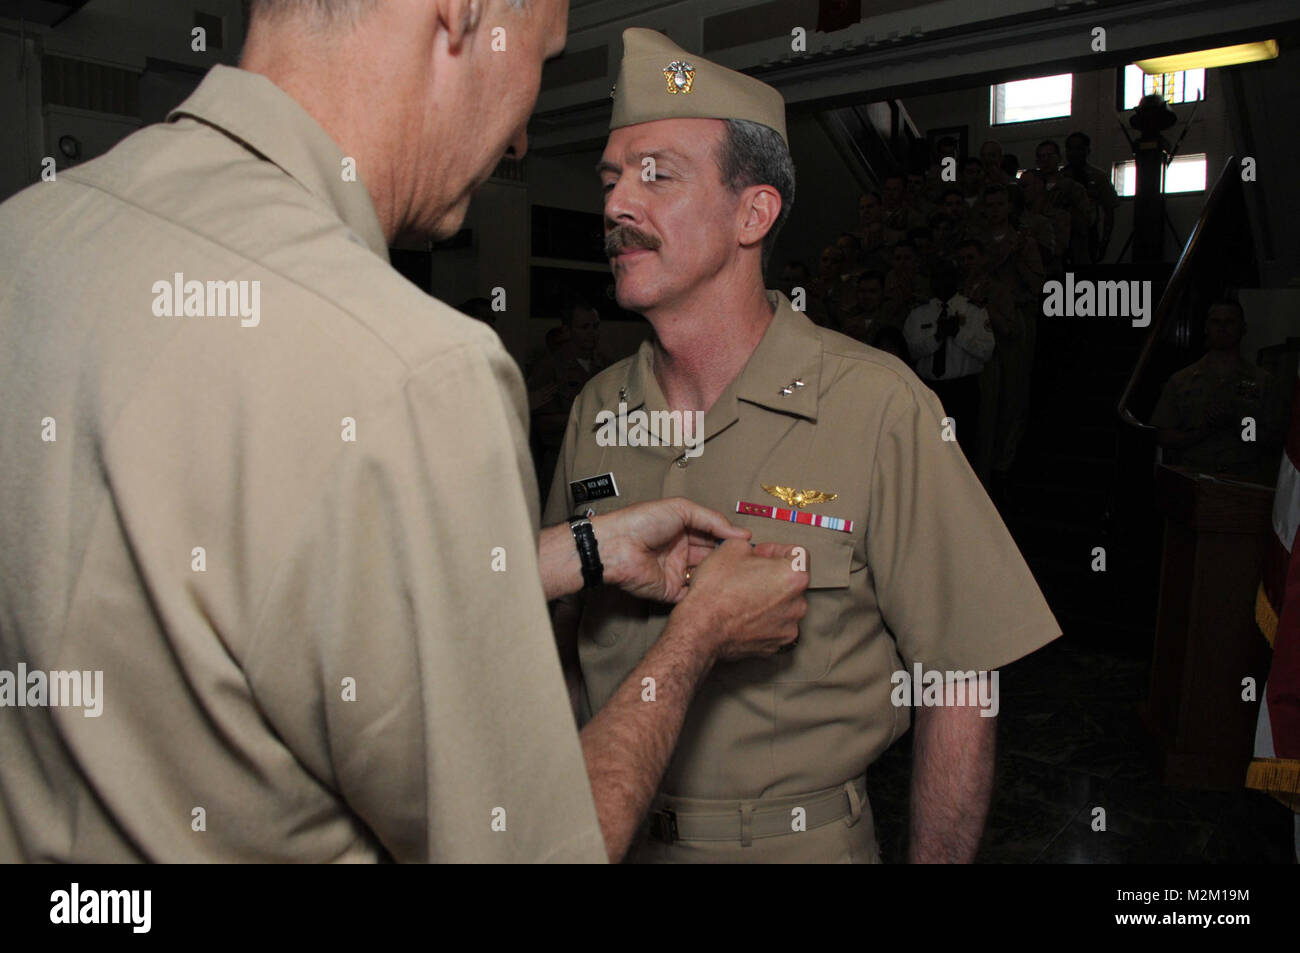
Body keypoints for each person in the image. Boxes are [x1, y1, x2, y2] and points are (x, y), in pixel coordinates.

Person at [0, 0, 811, 864]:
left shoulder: (29, 239)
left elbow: (207, 564)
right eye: (536, 65)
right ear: (460, 14)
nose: (524, 142)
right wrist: (694, 642)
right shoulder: (415, 371)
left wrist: (575, 551)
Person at [547, 28, 1062, 863]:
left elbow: (959, 677)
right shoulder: (594, 410)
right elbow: (564, 644)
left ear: (754, 212)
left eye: (657, 175)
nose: (615, 205)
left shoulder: (877, 405)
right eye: (610, 179)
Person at [1151, 300, 1287, 484]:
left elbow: (1276, 438)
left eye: (1230, 322)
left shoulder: (1264, 382)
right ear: (1206, 328)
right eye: (1216, 322)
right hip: (1192, 479)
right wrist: (1200, 432)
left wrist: (1238, 425)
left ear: (1243, 328)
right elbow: (1162, 435)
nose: (1222, 328)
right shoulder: (1181, 381)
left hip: (1244, 481)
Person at [528, 299, 610, 500]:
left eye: (595, 326)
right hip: (560, 462)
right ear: (567, 330)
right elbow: (539, 423)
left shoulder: (608, 367)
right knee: (558, 523)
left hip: (599, 462)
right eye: (584, 327)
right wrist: (585, 420)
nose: (592, 332)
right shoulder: (549, 368)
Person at [1063, 132, 1119, 264]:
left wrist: (1104, 241)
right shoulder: (1061, 177)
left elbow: (1109, 211)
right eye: (1071, 148)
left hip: (1089, 235)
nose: (1074, 153)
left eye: (1079, 148)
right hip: (1064, 235)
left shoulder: (1098, 176)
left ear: (1087, 150)